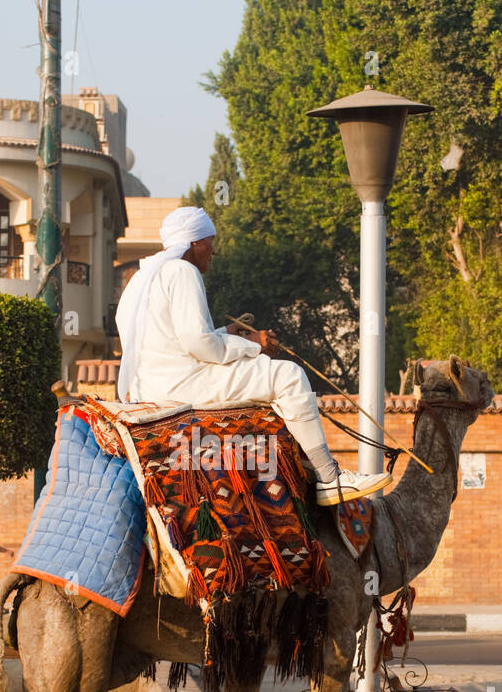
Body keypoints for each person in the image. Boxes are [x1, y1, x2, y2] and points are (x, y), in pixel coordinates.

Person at [115, 206, 390, 504]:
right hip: (182, 384)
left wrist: (226, 332)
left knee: (265, 370)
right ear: (195, 244)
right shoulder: (183, 271)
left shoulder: (140, 281)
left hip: (153, 386)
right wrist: (254, 344)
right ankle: (329, 478)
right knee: (288, 376)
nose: (214, 251)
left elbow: (176, 342)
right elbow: (198, 345)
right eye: (210, 242)